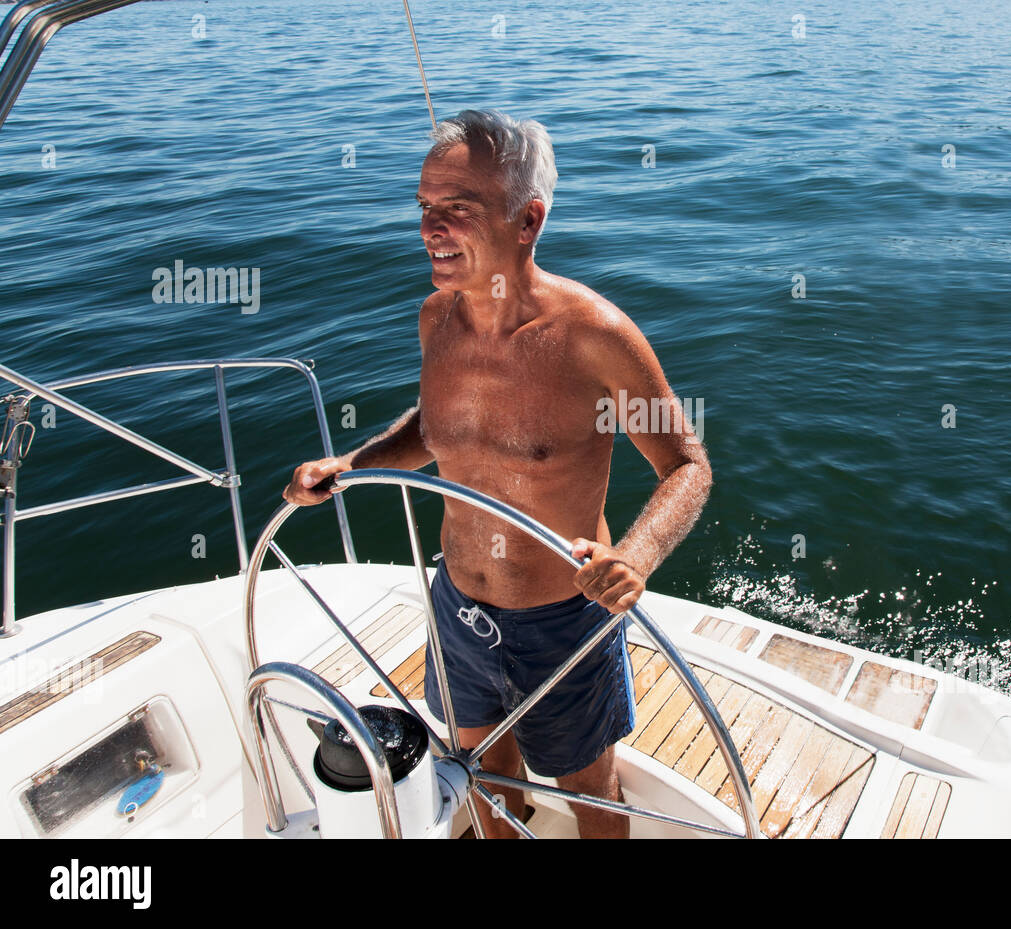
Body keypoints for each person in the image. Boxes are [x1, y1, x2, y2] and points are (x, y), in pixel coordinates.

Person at [283, 109, 711, 838]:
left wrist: (635, 558)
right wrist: (350, 465)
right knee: (480, 775)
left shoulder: (594, 336)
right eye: (425, 208)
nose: (430, 228)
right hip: (459, 606)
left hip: (564, 621)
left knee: (590, 791)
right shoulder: (436, 319)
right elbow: (432, 427)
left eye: (458, 209)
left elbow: (686, 467)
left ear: (527, 219)